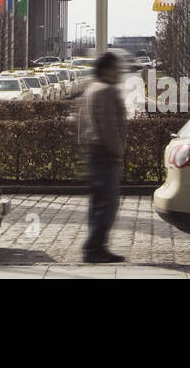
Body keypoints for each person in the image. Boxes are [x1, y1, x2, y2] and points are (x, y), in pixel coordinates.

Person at [77, 51, 127, 263]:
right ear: (107, 69)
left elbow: (82, 123)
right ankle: (94, 247)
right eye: (117, 67)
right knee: (108, 203)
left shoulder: (91, 89)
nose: (120, 71)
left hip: (93, 153)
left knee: (98, 203)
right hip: (105, 155)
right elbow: (109, 127)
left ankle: (94, 246)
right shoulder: (106, 91)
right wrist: (118, 152)